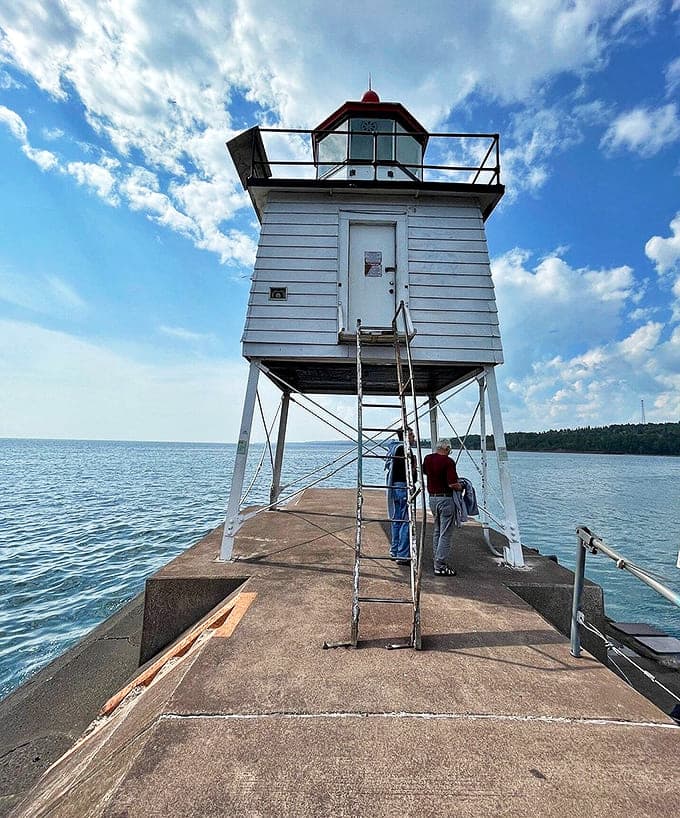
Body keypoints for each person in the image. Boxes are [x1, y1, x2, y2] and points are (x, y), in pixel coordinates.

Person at [422, 439, 462, 576]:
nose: (450, 451)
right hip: (445, 499)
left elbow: (425, 472)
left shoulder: (428, 459)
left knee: (437, 530)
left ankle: (436, 558)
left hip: (432, 498)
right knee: (445, 533)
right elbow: (452, 483)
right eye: (450, 449)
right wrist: (461, 486)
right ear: (446, 448)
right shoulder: (448, 462)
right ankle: (440, 565)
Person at [385, 427, 416, 565]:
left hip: (395, 487)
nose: (413, 437)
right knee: (405, 521)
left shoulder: (394, 448)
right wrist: (414, 466)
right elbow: (409, 474)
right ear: (405, 436)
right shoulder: (405, 449)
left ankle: (395, 549)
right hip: (403, 486)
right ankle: (403, 555)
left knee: (397, 520)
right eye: (411, 435)